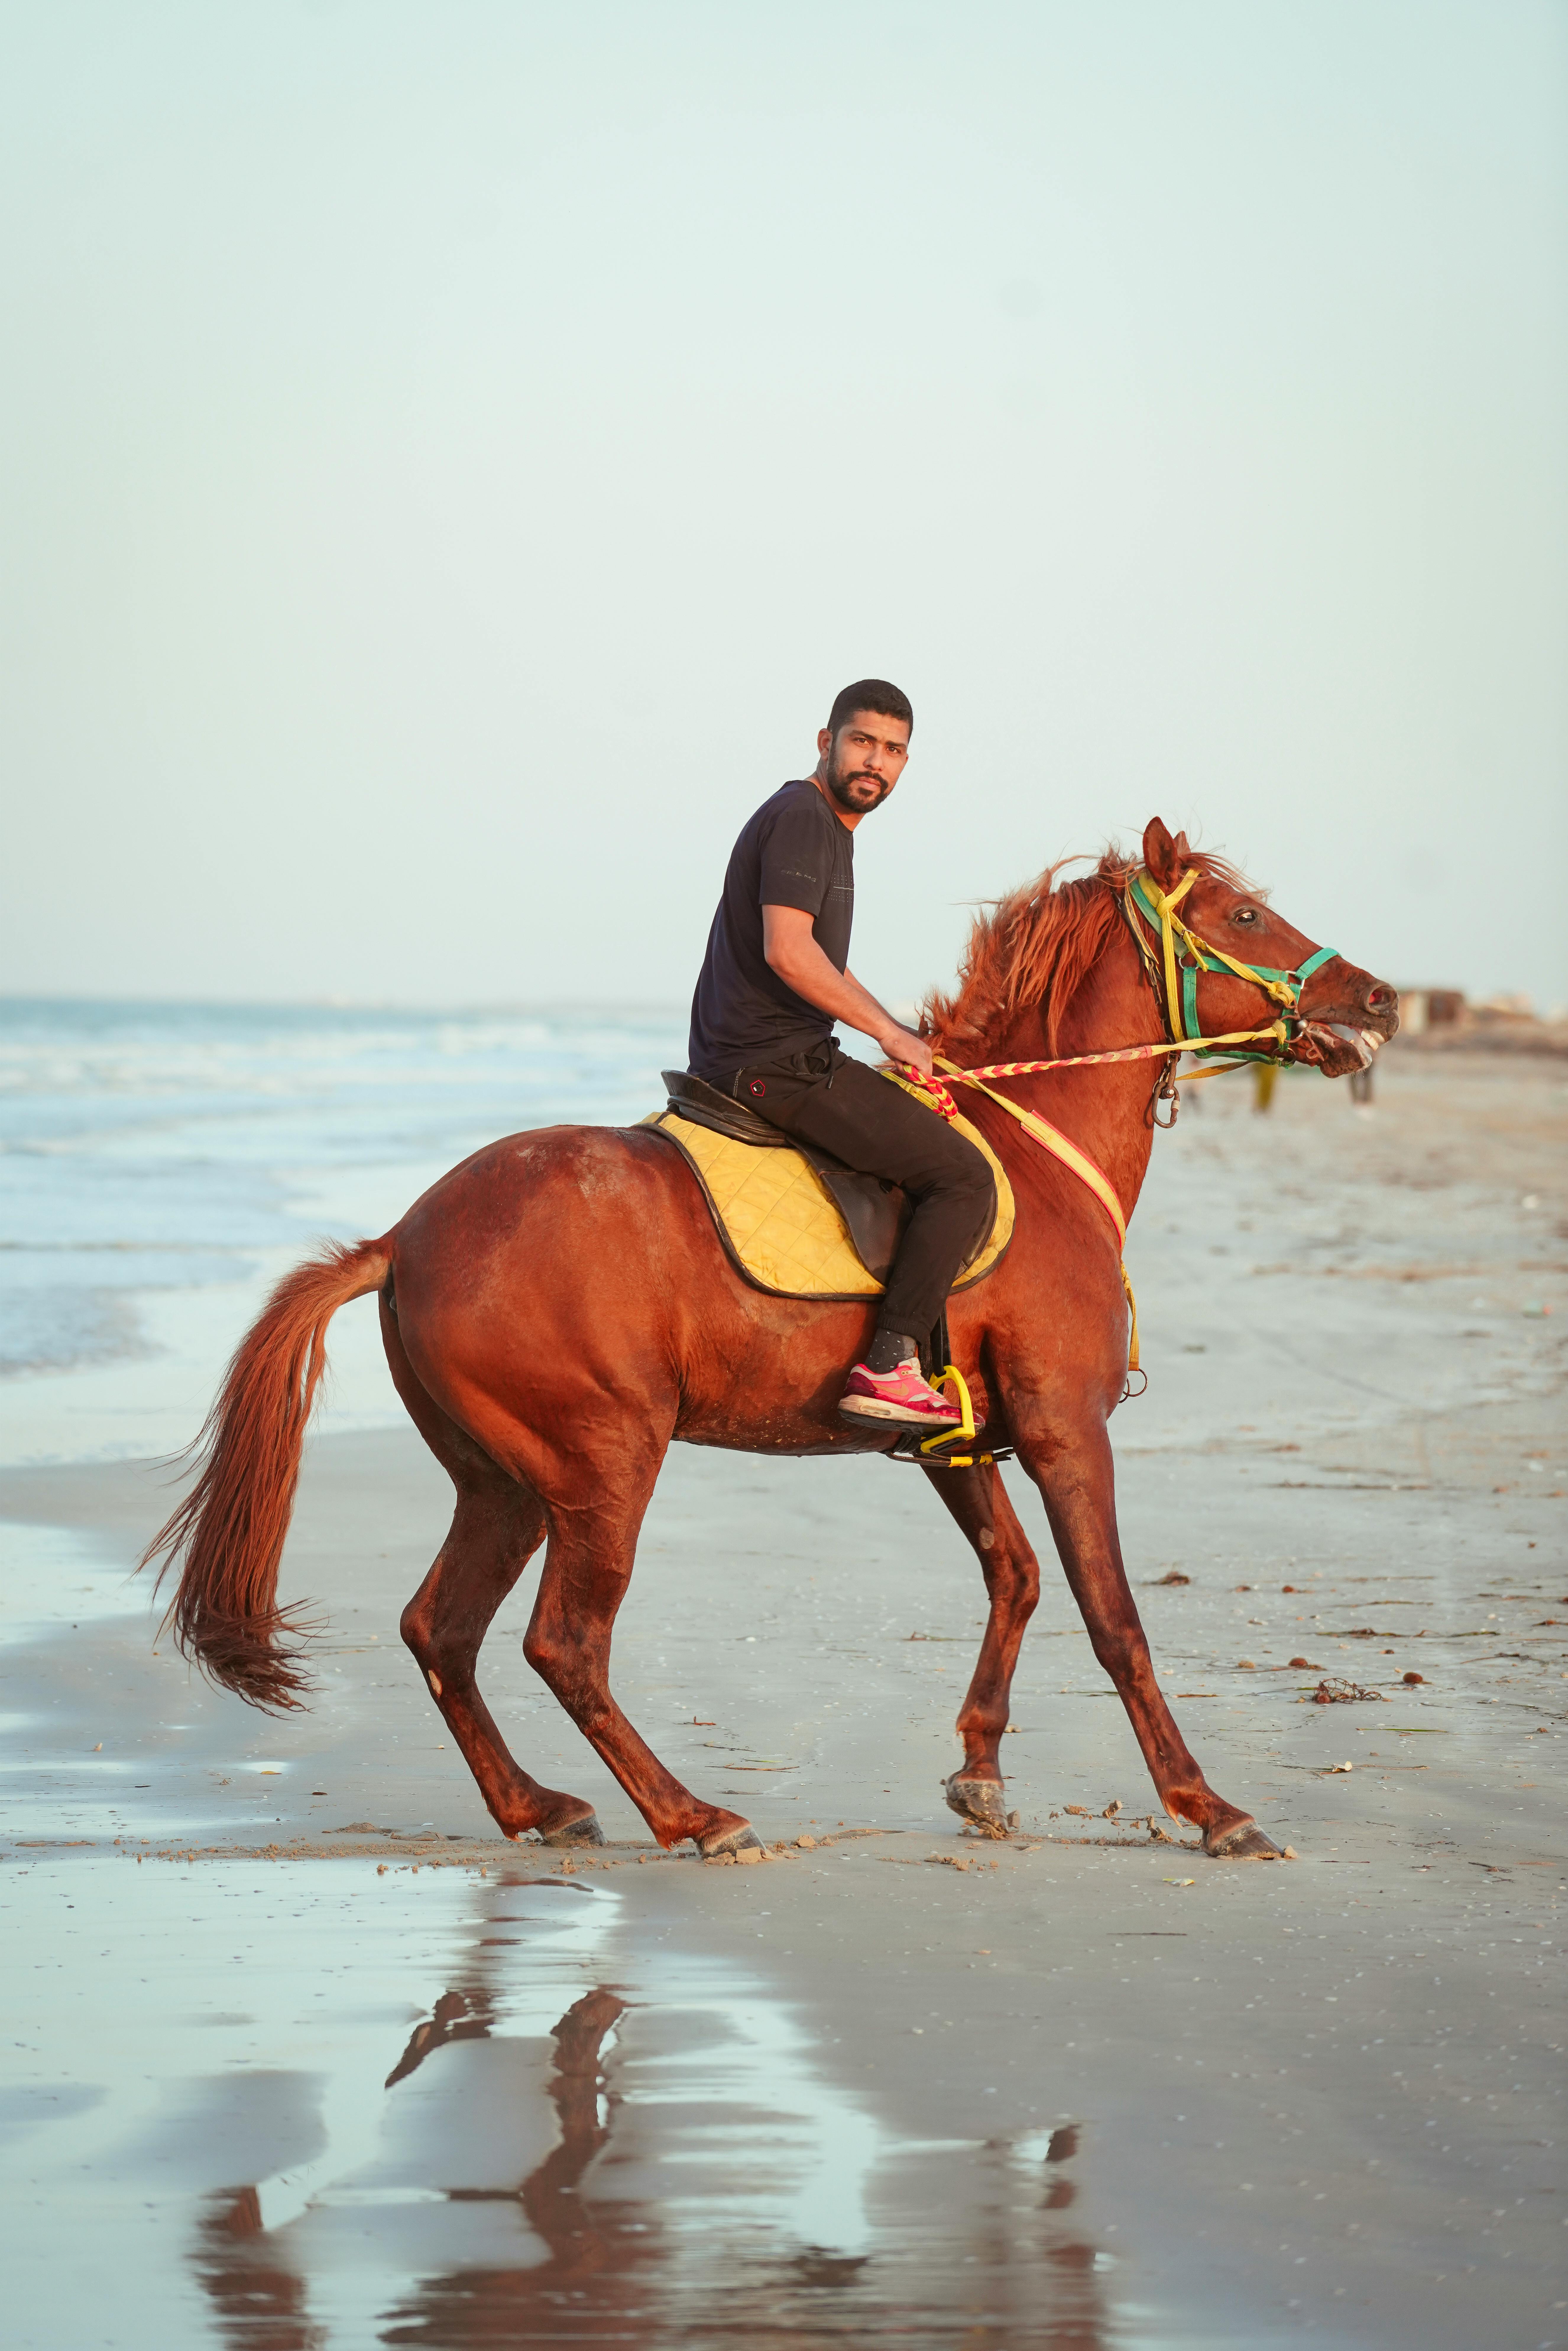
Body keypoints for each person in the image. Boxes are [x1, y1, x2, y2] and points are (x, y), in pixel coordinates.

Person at [687, 679, 996, 1429]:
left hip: (774, 1054)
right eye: (862, 742)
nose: (875, 761)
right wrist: (888, 1035)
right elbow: (790, 955)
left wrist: (898, 1032)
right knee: (961, 1176)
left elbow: (823, 959)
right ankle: (891, 1362)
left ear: (905, 764)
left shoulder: (829, 827)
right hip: (775, 1065)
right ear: (826, 743)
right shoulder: (803, 816)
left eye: (893, 751)